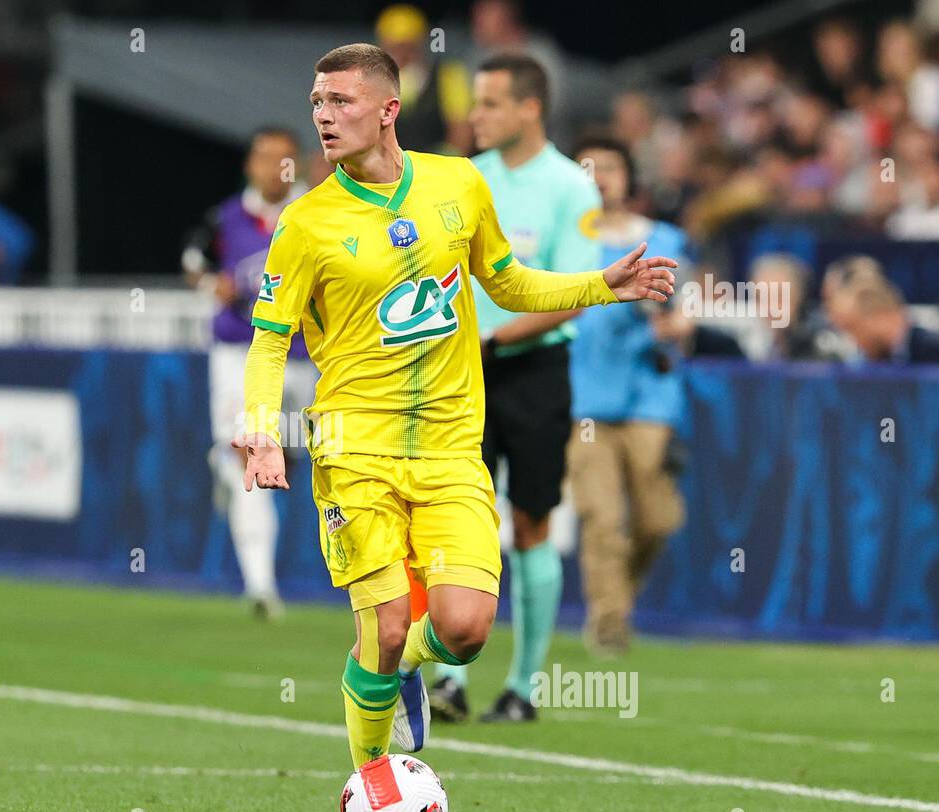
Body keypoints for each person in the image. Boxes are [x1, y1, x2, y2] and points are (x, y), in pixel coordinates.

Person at [234, 43, 676, 770]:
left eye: (340, 102)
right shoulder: (307, 224)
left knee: (464, 629)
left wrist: (602, 283)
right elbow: (267, 343)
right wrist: (259, 434)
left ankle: (409, 668)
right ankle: (374, 784)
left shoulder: (459, 183)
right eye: (317, 103)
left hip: (449, 449)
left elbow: (508, 284)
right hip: (355, 451)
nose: (324, 116)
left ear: (387, 110)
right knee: (380, 627)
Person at [425, 54, 603, 724]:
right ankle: (447, 675)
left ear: (530, 108)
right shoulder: (465, 179)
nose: (475, 116)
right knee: (455, 516)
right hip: (461, 370)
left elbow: (573, 293)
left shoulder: (571, 189)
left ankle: (523, 687)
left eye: (490, 103)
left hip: (531, 372)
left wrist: (494, 339)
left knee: (531, 522)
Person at [183, 128, 315, 618]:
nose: (273, 169)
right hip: (240, 353)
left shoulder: (317, 213)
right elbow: (193, 260)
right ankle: (261, 585)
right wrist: (207, 284)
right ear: (249, 164)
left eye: (283, 160)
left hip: (304, 355)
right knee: (254, 456)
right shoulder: (225, 218)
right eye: (264, 158)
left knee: (304, 455)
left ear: (296, 164)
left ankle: (222, 461)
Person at [567, 136, 691, 657]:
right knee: (600, 514)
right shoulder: (563, 242)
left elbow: (685, 308)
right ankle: (610, 619)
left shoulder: (665, 238)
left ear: (628, 177)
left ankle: (620, 596)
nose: (599, 177)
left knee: (658, 518)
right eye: (587, 167)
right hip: (581, 395)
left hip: (648, 393)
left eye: (610, 167)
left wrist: (682, 323)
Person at [374, 4, 473, 156]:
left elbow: (461, 133)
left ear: (421, 44)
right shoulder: (372, 83)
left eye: (408, 47)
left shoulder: (448, 75)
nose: (401, 55)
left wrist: (440, 167)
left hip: (437, 166)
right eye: (394, 48)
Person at [827, 273, 939, 365]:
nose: (855, 340)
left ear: (881, 317)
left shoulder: (933, 350)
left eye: (854, 328)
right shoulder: (868, 362)